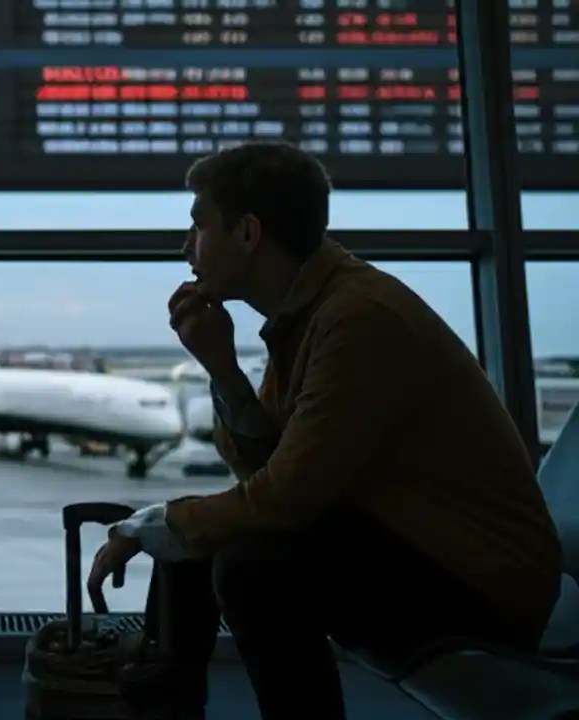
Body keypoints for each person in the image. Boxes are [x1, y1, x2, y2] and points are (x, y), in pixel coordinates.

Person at [86, 141, 563, 718]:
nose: (186, 246)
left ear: (247, 234)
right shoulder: (312, 314)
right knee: (202, 544)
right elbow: (267, 473)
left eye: (198, 225)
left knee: (249, 566)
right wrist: (222, 368)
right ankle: (164, 702)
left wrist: (151, 525)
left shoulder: (357, 320)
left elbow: (283, 499)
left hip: (486, 592)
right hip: (429, 554)